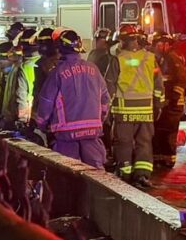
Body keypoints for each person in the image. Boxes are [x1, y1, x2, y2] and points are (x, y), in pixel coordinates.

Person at [35, 29, 109, 168]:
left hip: (66, 136)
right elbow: (105, 99)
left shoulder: (57, 72)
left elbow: (46, 102)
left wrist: (41, 124)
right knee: (97, 177)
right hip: (92, 133)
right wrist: (100, 119)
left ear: (60, 49)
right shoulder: (94, 69)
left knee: (67, 176)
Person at [111, 24, 163, 189]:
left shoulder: (117, 59)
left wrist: (104, 109)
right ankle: (142, 175)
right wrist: (158, 104)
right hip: (145, 109)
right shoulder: (150, 58)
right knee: (144, 143)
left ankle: (124, 173)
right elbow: (159, 85)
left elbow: (110, 86)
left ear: (123, 40)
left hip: (124, 109)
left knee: (124, 142)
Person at [150, 32, 186, 169]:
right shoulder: (161, 58)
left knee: (169, 132)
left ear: (166, 44)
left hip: (173, 103)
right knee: (160, 130)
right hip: (166, 101)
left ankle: (168, 160)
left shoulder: (172, 58)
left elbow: (181, 80)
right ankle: (160, 158)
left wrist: (173, 98)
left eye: (159, 44)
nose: (157, 47)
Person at [87, 28, 117, 164]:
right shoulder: (102, 55)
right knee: (104, 124)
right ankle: (106, 152)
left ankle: (106, 152)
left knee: (105, 124)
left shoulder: (101, 56)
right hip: (100, 94)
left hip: (98, 94)